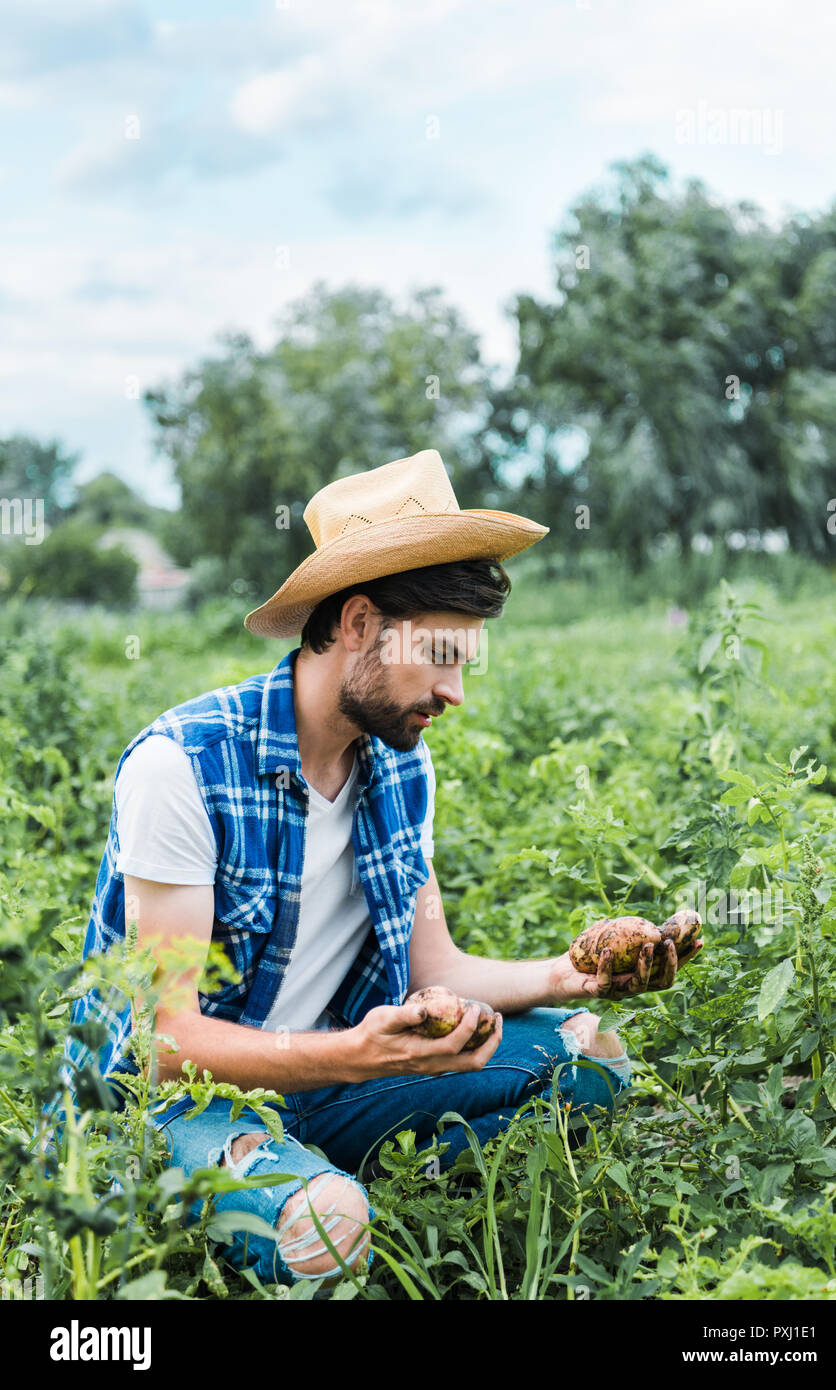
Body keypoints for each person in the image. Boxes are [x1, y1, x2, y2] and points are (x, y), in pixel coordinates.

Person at [65, 448, 701, 1289]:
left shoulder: (401, 763)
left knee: (594, 1058)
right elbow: (163, 1042)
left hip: (336, 1075)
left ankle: (329, 1178)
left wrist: (574, 978)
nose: (455, 694)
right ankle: (314, 1198)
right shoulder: (181, 766)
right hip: (184, 1102)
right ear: (359, 623)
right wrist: (352, 1057)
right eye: (441, 655)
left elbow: (433, 967)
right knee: (326, 1227)